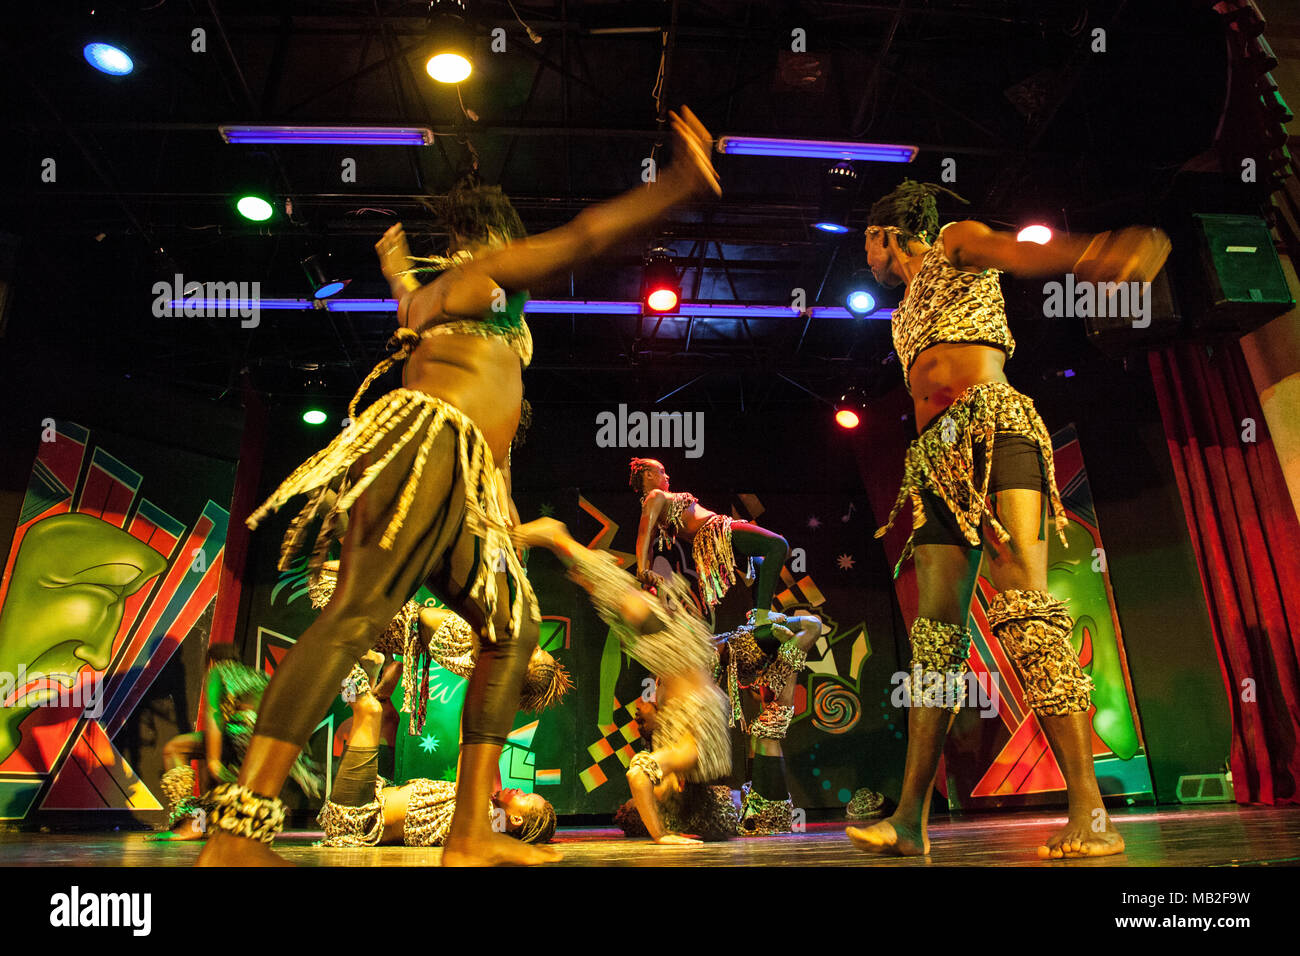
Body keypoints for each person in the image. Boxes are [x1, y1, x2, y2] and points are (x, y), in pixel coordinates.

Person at [197, 106, 719, 867]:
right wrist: (677, 183)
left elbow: (408, 292)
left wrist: (395, 266)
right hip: (429, 447)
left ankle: (470, 832)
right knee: (349, 620)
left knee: (511, 637)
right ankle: (235, 836)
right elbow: (584, 239)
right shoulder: (486, 273)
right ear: (499, 237)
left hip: (466, 480)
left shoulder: (427, 296)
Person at [851, 180, 1170, 859]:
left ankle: (1092, 815)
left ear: (882, 236)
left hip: (994, 430)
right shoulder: (900, 311)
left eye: (866, 245)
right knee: (935, 641)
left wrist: (1096, 253)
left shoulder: (953, 242)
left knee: (1026, 606)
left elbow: (1016, 250)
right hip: (935, 461)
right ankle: (910, 820)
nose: (867, 261)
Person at [512, 517, 731, 846]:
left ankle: (560, 544)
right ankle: (558, 537)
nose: (653, 788)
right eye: (659, 792)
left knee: (611, 595)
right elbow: (637, 773)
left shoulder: (696, 752)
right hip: (678, 653)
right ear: (676, 789)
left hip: (679, 653)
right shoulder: (690, 758)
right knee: (618, 595)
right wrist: (662, 834)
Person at [317, 652, 557, 848]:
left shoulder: (479, 819)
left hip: (356, 814)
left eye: (524, 797)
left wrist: (481, 679)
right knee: (387, 718)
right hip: (372, 796)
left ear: (515, 819)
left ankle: (344, 665)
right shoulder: (485, 812)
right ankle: (373, 687)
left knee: (367, 711)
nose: (520, 790)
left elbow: (469, 742)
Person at [154, 644, 321, 841]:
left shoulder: (219, 670)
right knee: (217, 764)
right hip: (274, 742)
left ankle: (192, 824)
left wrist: (214, 761)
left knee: (175, 749)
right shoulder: (259, 676)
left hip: (245, 731)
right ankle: (219, 820)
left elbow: (214, 714)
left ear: (211, 662)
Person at [629, 458, 788, 635]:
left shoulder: (656, 501)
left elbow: (648, 540)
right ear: (648, 474)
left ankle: (759, 620)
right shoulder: (654, 496)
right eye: (661, 471)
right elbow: (645, 534)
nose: (666, 475)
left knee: (759, 565)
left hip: (712, 541)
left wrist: (645, 571)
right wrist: (643, 570)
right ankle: (762, 616)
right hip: (714, 531)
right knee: (778, 544)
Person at [714, 607, 825, 835]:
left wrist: (779, 620)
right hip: (768, 720)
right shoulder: (760, 663)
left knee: (763, 736)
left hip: (774, 718)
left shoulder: (788, 651)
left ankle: (771, 816)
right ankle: (764, 813)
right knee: (759, 738)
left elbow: (814, 625)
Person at [612, 699, 738, 842]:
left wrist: (659, 835)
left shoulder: (675, 752)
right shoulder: (684, 752)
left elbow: (637, 775)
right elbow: (639, 776)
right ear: (681, 783)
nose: (646, 788)